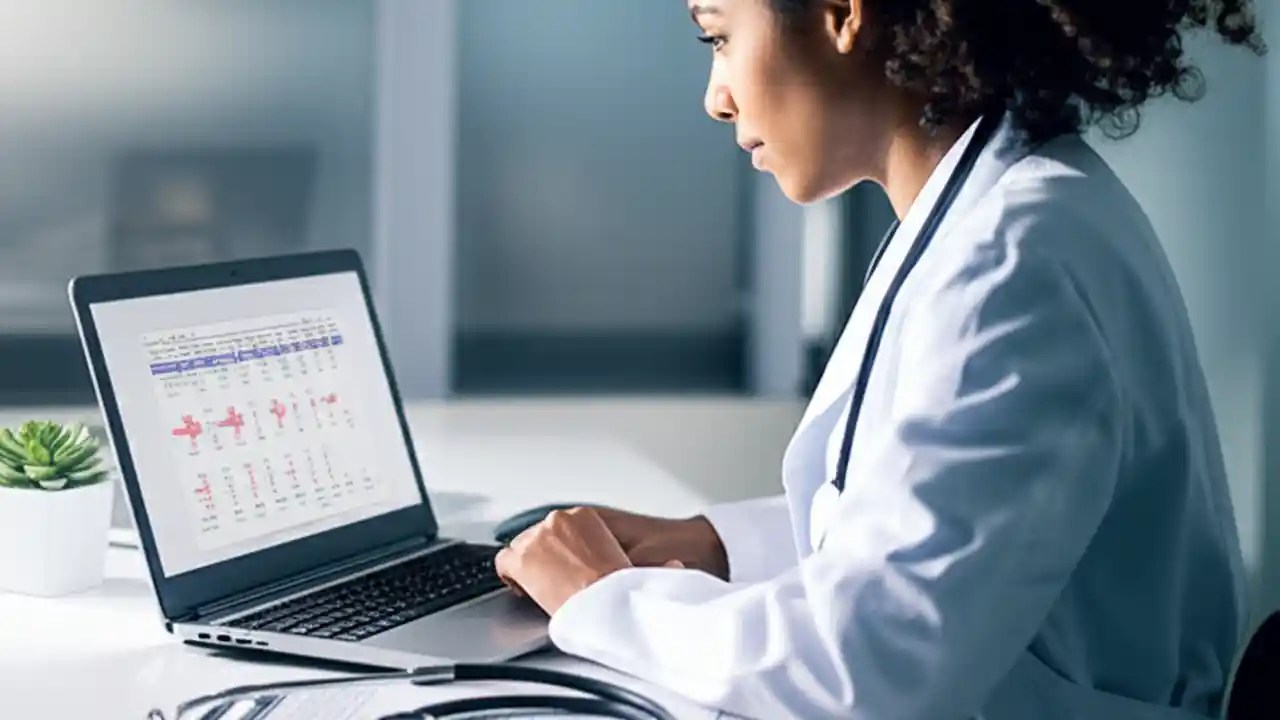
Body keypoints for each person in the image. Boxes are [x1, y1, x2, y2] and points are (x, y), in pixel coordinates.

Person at [495, 1, 1267, 718]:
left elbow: (870, 665)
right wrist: (712, 543)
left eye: (720, 36)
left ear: (841, 15)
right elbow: (940, 517)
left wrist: (605, 600)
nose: (716, 97)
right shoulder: (997, 209)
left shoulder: (1012, 257)